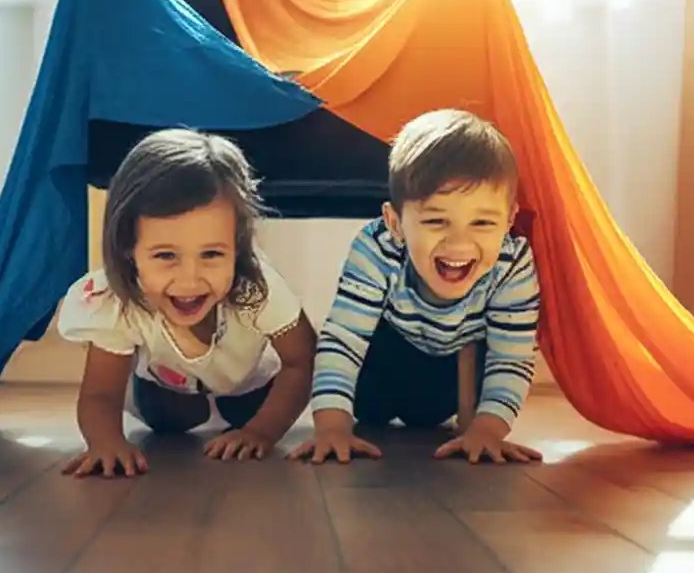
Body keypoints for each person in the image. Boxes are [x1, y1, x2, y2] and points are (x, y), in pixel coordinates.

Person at [289, 109, 544, 465]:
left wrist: (489, 428)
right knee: (370, 409)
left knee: (425, 417)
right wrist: (331, 425)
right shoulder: (377, 247)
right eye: (436, 220)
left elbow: (511, 355)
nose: (459, 243)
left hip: (445, 373)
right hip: (385, 356)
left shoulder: (512, 262)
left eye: (483, 222)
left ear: (509, 220)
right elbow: (343, 338)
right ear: (395, 222)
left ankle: (454, 413)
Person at [58, 129, 315, 478]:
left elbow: (301, 359)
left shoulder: (255, 289)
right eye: (166, 255)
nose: (190, 280)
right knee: (172, 418)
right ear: (128, 250)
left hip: (247, 386)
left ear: (238, 247)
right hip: (165, 390)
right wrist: (105, 443)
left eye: (212, 253)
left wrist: (261, 432)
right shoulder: (119, 299)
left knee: (250, 409)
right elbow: (101, 393)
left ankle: (239, 415)